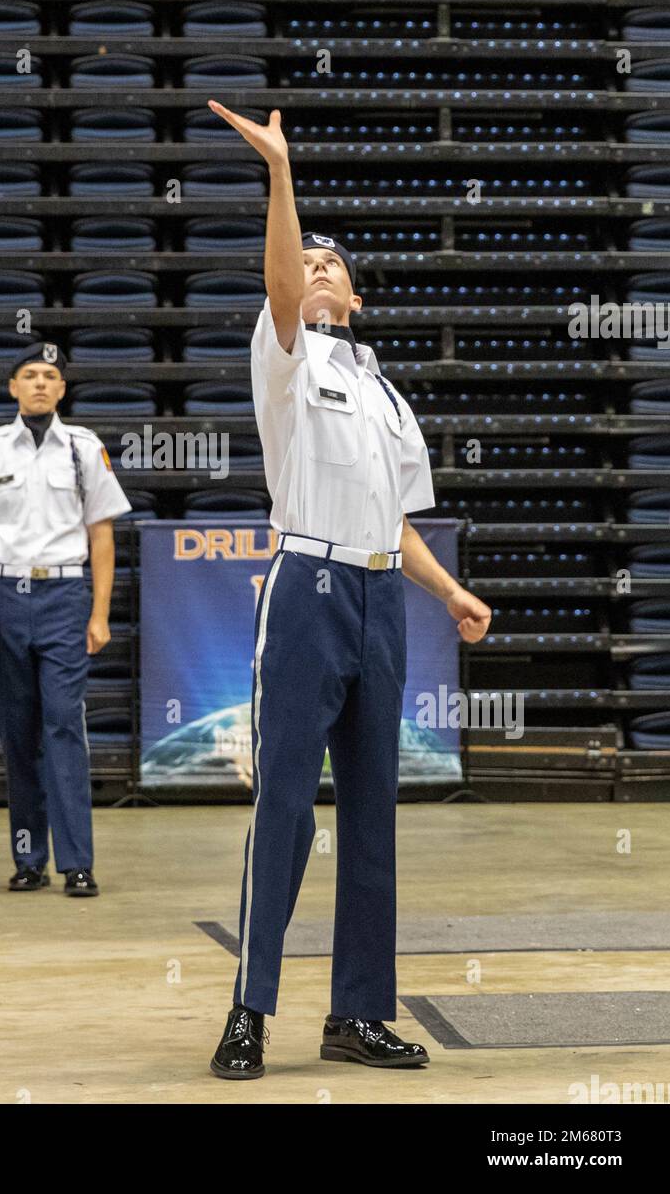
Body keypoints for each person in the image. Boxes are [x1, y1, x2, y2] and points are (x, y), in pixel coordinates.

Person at [205, 101, 493, 1079]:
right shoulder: (285, 351)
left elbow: (397, 519)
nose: (319, 269)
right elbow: (281, 277)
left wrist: (448, 591)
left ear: (359, 298)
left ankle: (358, 1013)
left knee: (374, 812)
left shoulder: (381, 387)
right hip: (306, 586)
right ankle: (250, 1007)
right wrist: (281, 175)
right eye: (310, 261)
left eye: (336, 264)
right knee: (285, 803)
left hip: (378, 597)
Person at [0, 340, 132, 897]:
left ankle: (77, 861)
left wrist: (100, 612)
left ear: (62, 389)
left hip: (63, 596)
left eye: (49, 376)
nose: (38, 383)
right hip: (6, 596)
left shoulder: (84, 449)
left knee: (63, 727)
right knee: (19, 734)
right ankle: (28, 858)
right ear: (13, 386)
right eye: (28, 374)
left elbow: (101, 533)